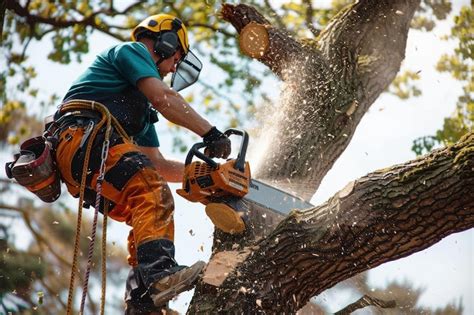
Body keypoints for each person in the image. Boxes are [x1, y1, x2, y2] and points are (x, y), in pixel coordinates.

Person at [53, 14, 231, 313]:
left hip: (90, 163)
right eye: (176, 58)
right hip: (84, 137)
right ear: (165, 42)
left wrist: (204, 173)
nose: (174, 67)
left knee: (145, 205)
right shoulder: (130, 52)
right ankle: (160, 274)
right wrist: (210, 133)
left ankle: (142, 302)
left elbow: (155, 162)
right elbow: (164, 98)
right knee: (151, 189)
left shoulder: (141, 108)